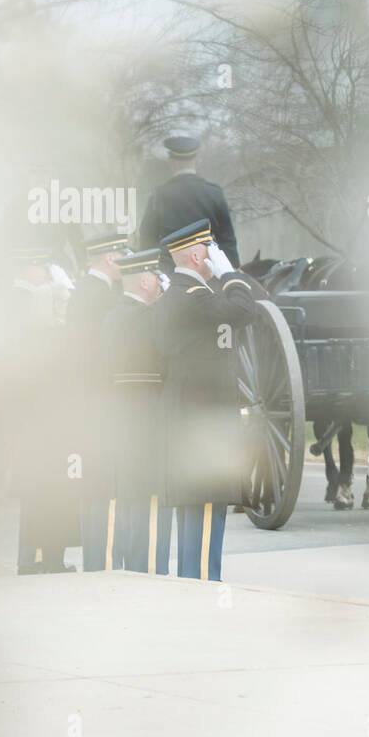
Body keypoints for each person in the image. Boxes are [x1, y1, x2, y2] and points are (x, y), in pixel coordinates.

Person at [150, 218, 262, 581]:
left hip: (189, 421)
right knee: (204, 508)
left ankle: (194, 586)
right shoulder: (193, 297)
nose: (216, 258)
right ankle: (199, 592)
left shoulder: (177, 297)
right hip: (202, 425)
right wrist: (232, 274)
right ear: (198, 257)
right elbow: (245, 310)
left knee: (197, 511)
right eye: (212, 252)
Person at [7, 240, 79, 574]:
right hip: (36, 418)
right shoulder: (22, 307)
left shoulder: (41, 306)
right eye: (44, 269)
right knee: (38, 489)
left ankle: (45, 558)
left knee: (52, 489)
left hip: (52, 417)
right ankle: (36, 559)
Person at [103, 249, 173, 574]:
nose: (160, 283)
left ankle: (127, 567)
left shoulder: (113, 315)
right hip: (149, 422)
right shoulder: (149, 317)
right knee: (151, 500)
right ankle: (148, 573)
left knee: (128, 498)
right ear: (145, 279)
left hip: (120, 422)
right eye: (157, 277)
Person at [65, 231, 129, 571]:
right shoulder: (103, 297)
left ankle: (96, 560)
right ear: (110, 258)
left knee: (93, 488)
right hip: (104, 402)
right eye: (122, 255)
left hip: (86, 403)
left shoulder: (82, 291)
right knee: (106, 484)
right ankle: (104, 564)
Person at [138, 136, 239, 270]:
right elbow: (227, 239)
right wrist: (232, 273)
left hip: (171, 271)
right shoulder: (214, 193)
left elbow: (147, 240)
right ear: (197, 162)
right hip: (208, 269)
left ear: (172, 163)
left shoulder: (158, 195)